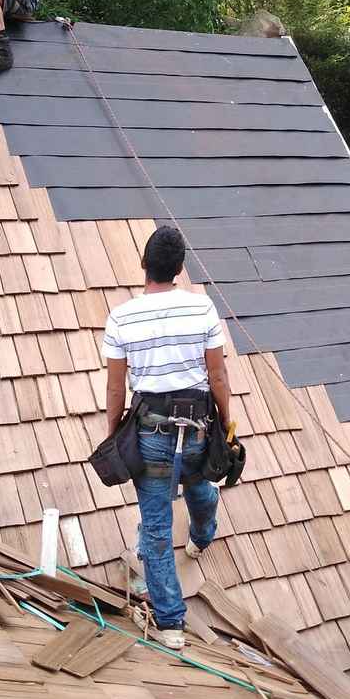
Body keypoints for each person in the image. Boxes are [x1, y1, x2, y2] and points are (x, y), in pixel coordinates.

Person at [100, 225, 232, 650]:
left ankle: (172, 623)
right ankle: (202, 534)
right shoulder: (202, 308)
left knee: (156, 529)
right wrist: (227, 425)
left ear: (144, 264)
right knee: (198, 482)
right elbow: (217, 376)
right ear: (179, 268)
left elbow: (116, 389)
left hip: (151, 433)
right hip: (197, 428)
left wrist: (113, 433)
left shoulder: (121, 317)